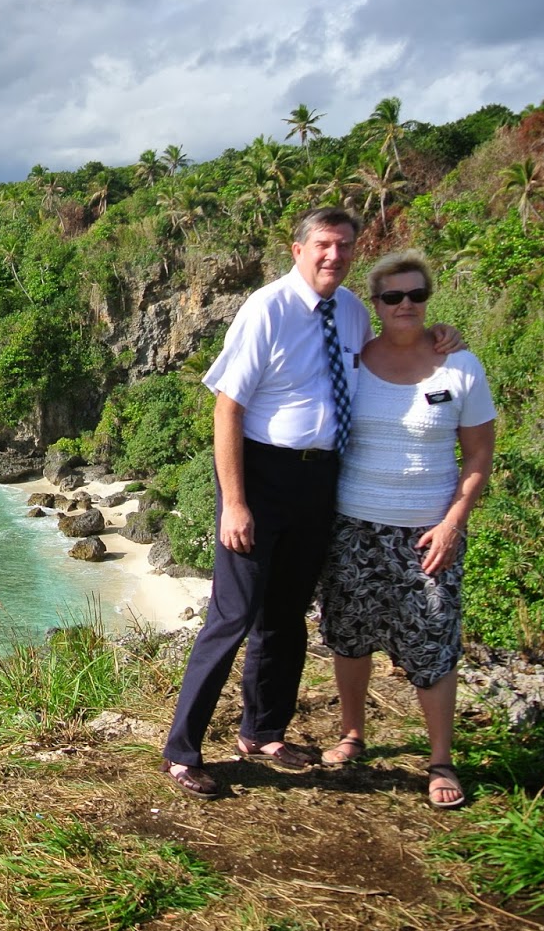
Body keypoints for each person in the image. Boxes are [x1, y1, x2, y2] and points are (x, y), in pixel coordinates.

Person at [159, 208, 460, 799]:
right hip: (261, 474)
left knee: (287, 613)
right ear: (297, 250)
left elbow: (389, 356)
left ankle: (263, 732)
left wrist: (438, 337)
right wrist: (235, 503)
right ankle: (182, 751)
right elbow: (228, 408)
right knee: (233, 615)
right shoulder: (266, 309)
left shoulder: (350, 311)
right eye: (323, 244)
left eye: (344, 245)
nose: (334, 255)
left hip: (321, 478)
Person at [316, 251, 495, 809]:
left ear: (428, 299)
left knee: (433, 640)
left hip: (427, 532)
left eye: (416, 295)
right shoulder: (352, 361)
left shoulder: (460, 366)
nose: (405, 305)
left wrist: (453, 524)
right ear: (376, 304)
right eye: (393, 296)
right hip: (353, 523)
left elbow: (479, 456)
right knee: (350, 635)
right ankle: (352, 733)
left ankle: (440, 760)